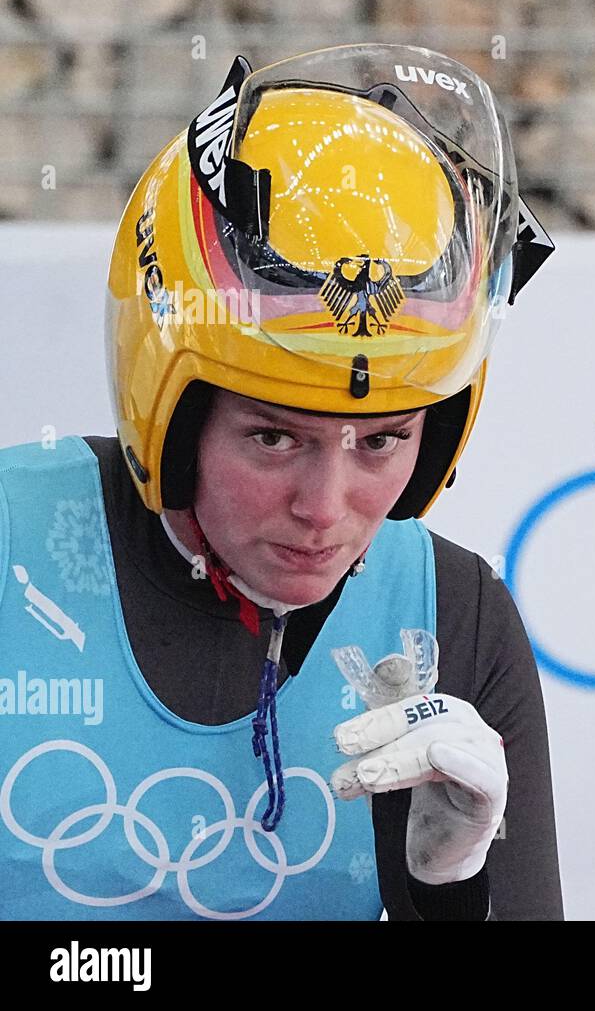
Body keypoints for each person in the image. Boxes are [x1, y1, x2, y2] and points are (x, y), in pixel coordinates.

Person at [0, 44, 561, 920]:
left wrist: (453, 892)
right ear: (170, 414)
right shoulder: (10, 545)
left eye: (383, 441)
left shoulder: (455, 615)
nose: (325, 510)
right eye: (273, 436)